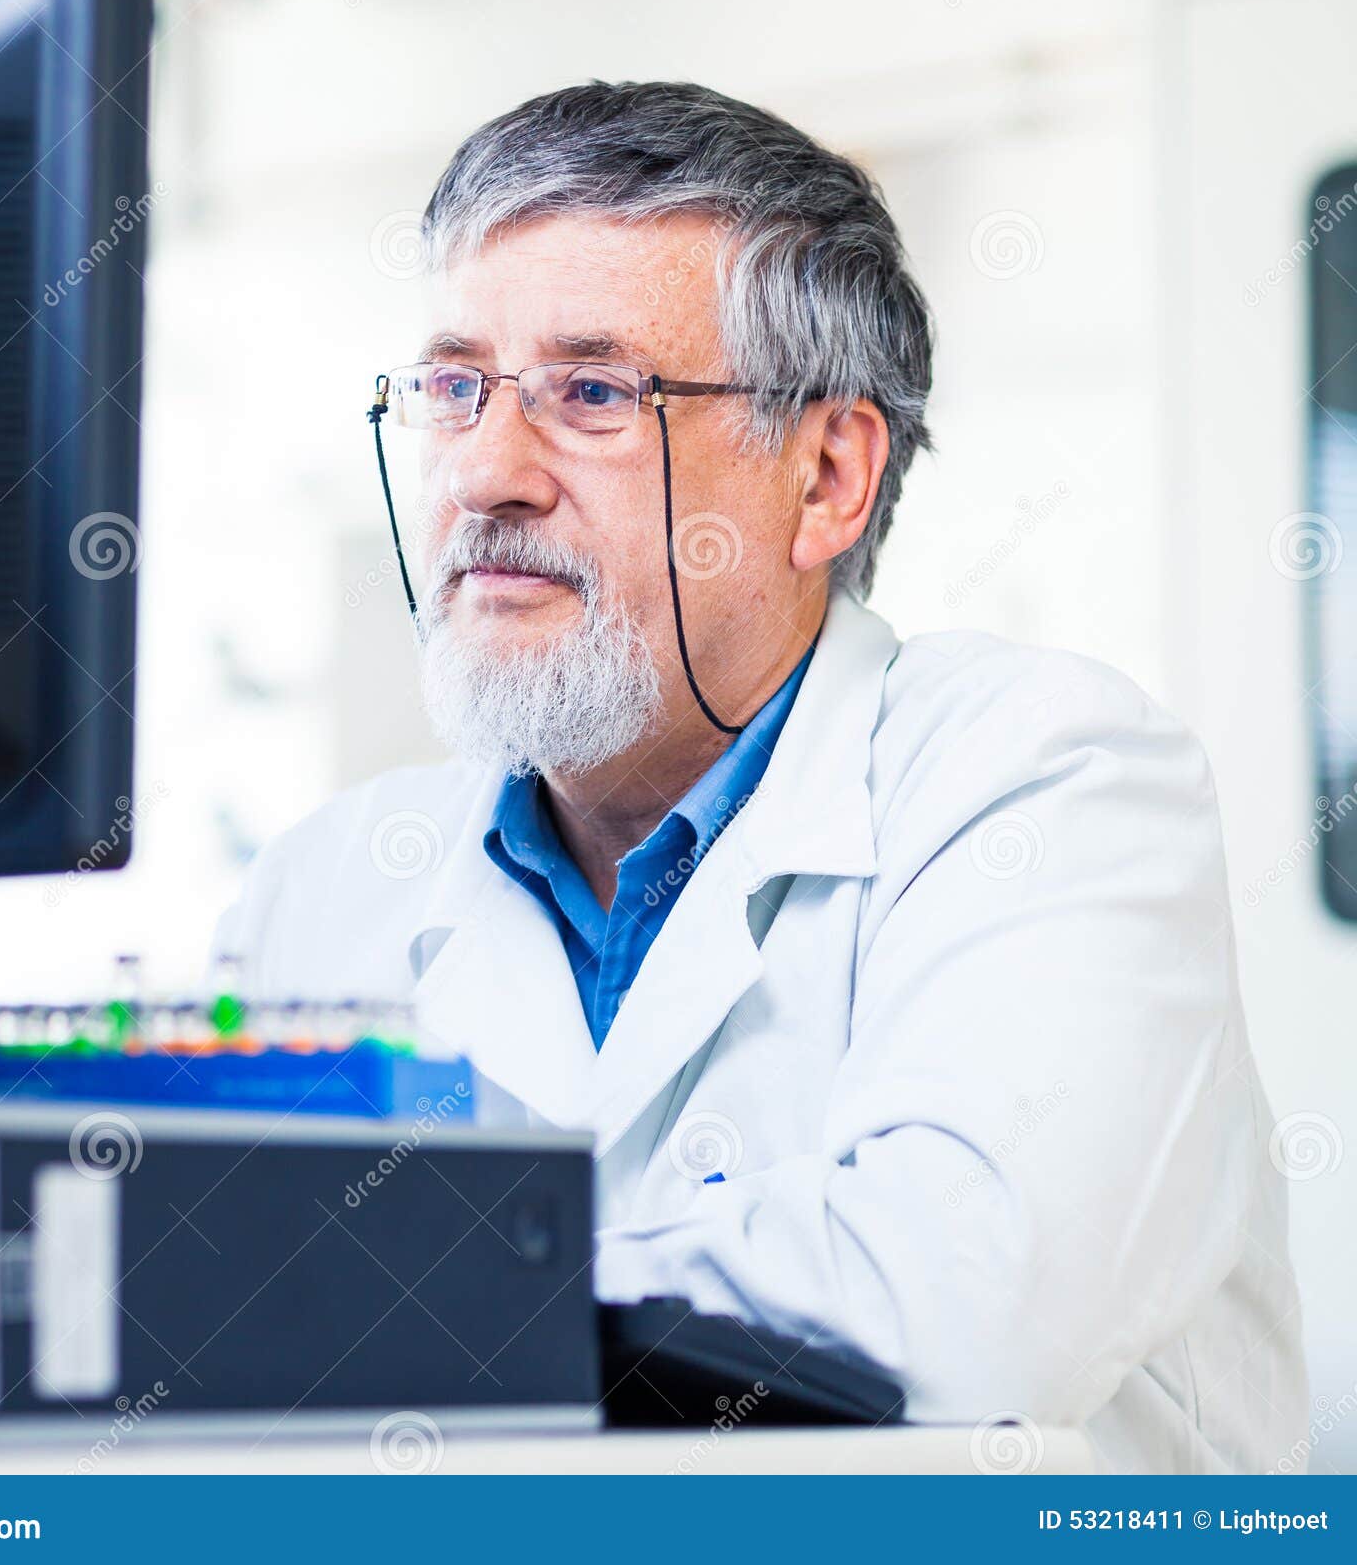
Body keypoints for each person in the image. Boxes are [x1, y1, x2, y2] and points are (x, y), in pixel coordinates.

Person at [216, 81, 1307, 1471]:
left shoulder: (1050, 781)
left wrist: (372, 1284)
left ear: (827, 475)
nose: (485, 471)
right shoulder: (320, 888)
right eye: (451, 389)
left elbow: (959, 1318)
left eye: (592, 393)